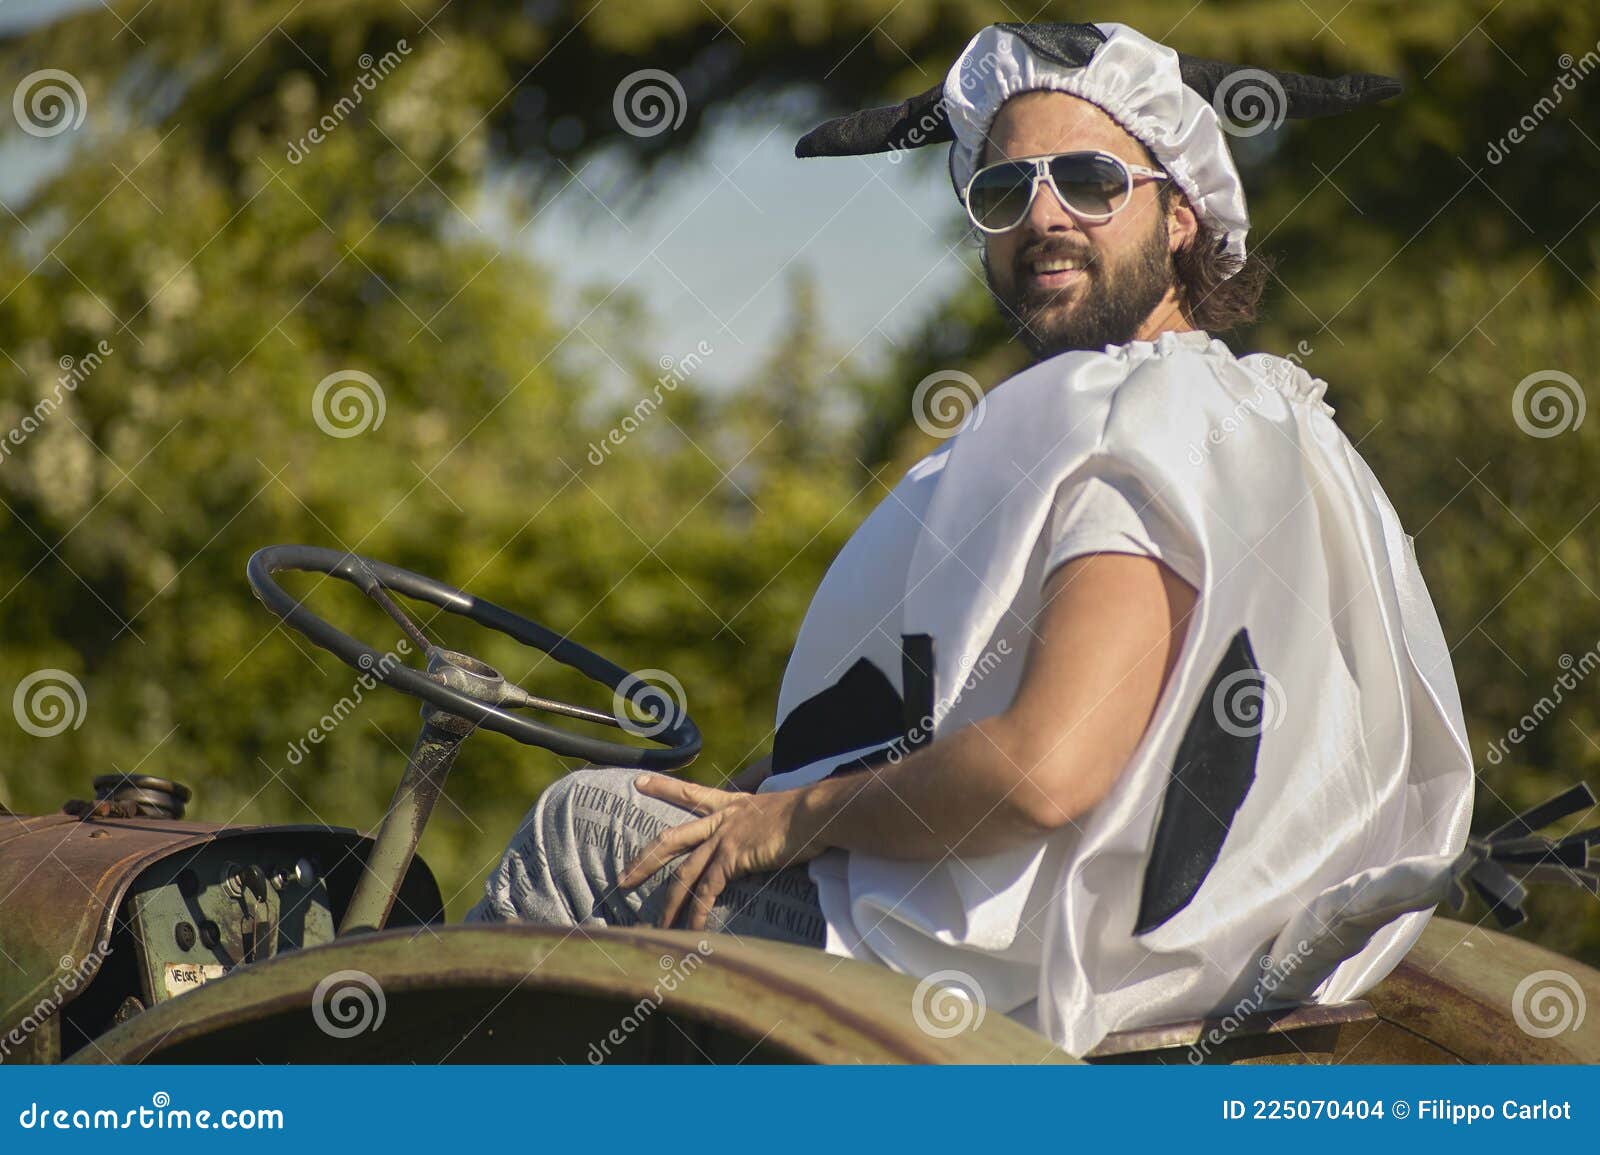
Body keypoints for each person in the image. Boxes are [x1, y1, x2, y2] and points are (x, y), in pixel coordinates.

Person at [468, 20, 1476, 1057]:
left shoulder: (1143, 415)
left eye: (1089, 180)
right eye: (1002, 192)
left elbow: (1045, 769)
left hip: (1018, 985)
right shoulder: (1265, 415)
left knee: (587, 824)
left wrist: (790, 819)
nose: (1042, 217)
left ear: (1181, 213)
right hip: (1137, 965)